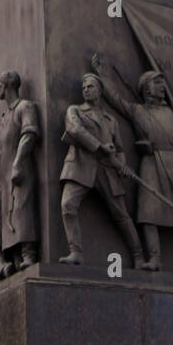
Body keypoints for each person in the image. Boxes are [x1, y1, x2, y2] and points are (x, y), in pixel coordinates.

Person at [92, 55, 173, 271]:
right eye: (157, 83)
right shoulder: (138, 110)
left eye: (162, 83)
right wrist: (102, 75)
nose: (162, 87)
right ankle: (155, 258)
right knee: (148, 212)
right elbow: (115, 98)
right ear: (146, 89)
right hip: (152, 162)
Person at [59, 73, 143, 267]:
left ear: (100, 91)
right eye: (84, 88)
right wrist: (100, 147)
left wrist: (122, 165)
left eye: (90, 87)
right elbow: (75, 130)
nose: (86, 90)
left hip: (107, 169)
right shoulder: (75, 111)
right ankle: (76, 252)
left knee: (121, 215)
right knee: (67, 205)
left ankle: (138, 256)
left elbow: (120, 148)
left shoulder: (111, 120)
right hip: (81, 165)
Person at [0, 71, 40, 269]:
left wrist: (17, 163)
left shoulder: (24, 107)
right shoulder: (5, 115)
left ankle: (29, 254)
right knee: (8, 213)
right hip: (4, 171)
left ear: (8, 86)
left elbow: (29, 135)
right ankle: (15, 258)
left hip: (19, 166)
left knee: (22, 207)